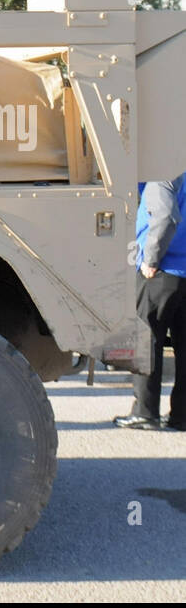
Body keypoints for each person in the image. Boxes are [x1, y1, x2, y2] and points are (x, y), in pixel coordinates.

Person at [115, 171, 186, 431]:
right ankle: (181, 415)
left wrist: (151, 259)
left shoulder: (163, 173)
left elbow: (166, 216)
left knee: (146, 341)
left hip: (161, 271)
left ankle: (145, 412)